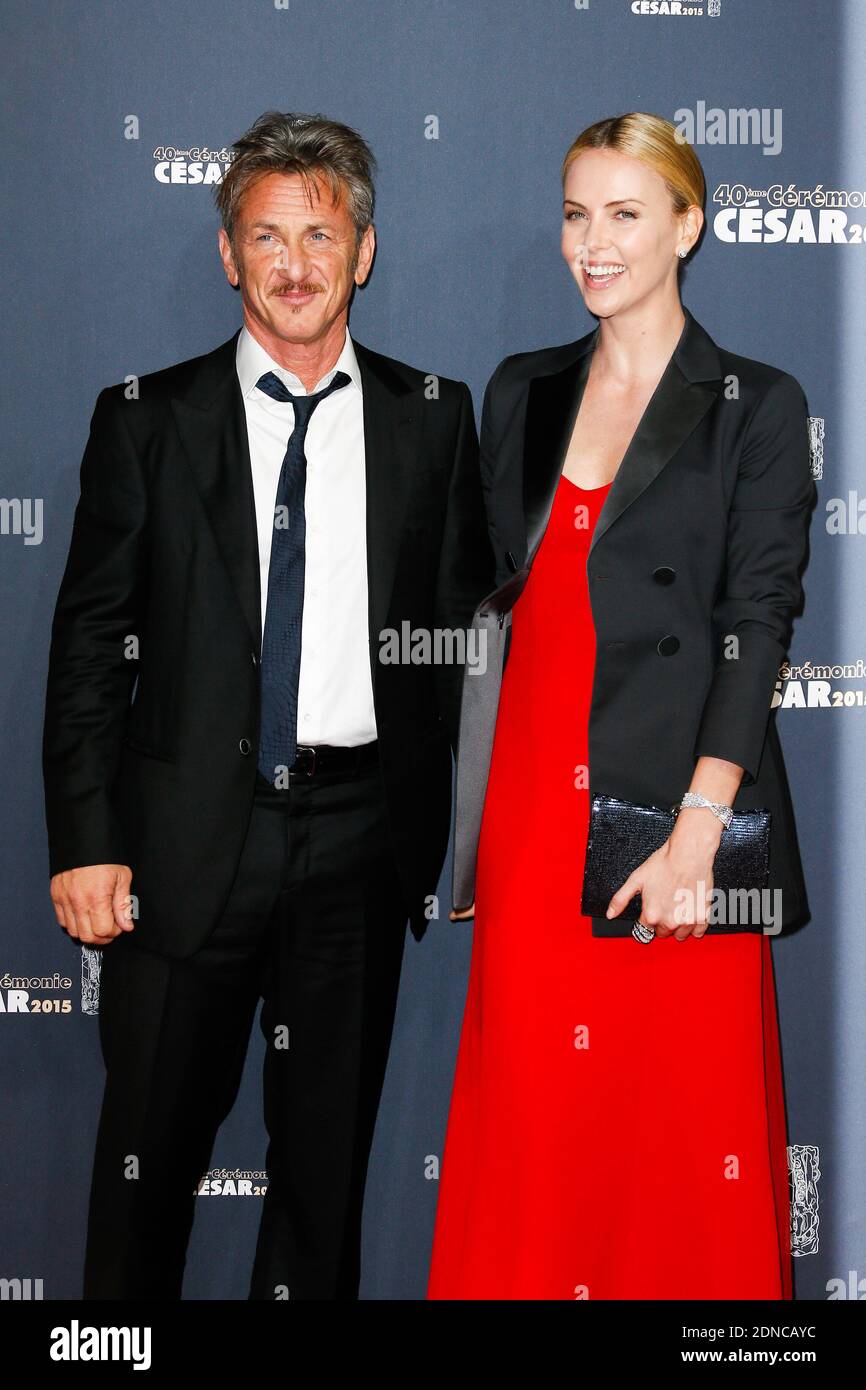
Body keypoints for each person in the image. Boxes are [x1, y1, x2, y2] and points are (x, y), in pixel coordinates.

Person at [42, 109, 493, 1300]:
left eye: (320, 234)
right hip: (184, 841)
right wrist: (88, 841)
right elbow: (90, 644)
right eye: (267, 236)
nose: (295, 264)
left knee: (323, 1184)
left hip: (354, 845)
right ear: (229, 254)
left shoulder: (432, 418)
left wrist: (464, 836)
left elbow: (463, 649)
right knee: (142, 1173)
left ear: (365, 250)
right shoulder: (143, 420)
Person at [428, 112, 815, 1300]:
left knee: (674, 1136)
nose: (591, 244)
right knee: (535, 1120)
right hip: (533, 813)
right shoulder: (522, 390)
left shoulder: (753, 401)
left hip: (674, 810)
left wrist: (698, 837)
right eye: (574, 214)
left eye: (625, 214)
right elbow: (498, 606)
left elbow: (756, 627)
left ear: (688, 225)